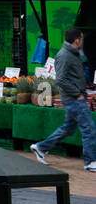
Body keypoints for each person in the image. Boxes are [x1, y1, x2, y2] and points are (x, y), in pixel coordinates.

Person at [31, 27, 96, 169]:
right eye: (82, 38)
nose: (83, 41)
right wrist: (77, 93)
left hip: (75, 97)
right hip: (74, 99)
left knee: (68, 128)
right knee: (89, 128)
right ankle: (90, 162)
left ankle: (41, 147)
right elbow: (60, 79)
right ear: (77, 40)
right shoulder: (64, 55)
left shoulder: (72, 53)